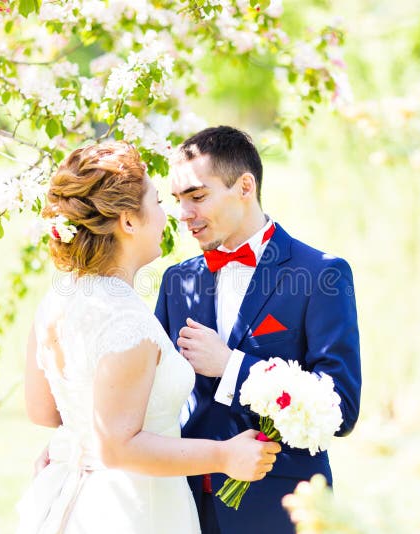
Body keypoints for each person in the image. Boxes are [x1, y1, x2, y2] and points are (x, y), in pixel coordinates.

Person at [17, 141, 281, 534]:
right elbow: (119, 446)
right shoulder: (125, 319)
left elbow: (44, 412)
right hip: (133, 508)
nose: (168, 216)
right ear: (127, 221)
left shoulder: (57, 300)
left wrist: (78, 444)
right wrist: (224, 456)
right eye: (157, 202)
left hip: (71, 497)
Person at [155, 126, 362, 534]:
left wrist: (232, 366)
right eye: (180, 201)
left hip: (277, 510)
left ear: (245, 186)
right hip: (181, 507)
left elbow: (341, 408)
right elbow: (152, 391)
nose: (184, 214)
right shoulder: (177, 281)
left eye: (197, 197)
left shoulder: (321, 274)